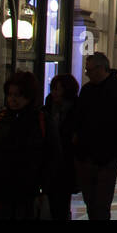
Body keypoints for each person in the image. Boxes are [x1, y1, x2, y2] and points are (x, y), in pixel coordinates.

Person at [0, 71, 58, 219]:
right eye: (10, 95)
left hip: (28, 190)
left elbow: (52, 155)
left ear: (28, 96)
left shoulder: (41, 121)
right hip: (1, 189)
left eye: (17, 95)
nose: (12, 99)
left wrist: (43, 186)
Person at [72, 52, 117, 220]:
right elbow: (79, 120)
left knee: (102, 204)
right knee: (90, 202)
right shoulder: (87, 90)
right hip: (86, 155)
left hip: (108, 157)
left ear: (101, 68)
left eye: (89, 70)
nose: (87, 74)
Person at [43, 75, 79, 220]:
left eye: (58, 89)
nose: (54, 92)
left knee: (62, 201)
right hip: (49, 161)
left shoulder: (76, 108)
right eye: (53, 89)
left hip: (66, 161)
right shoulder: (47, 107)